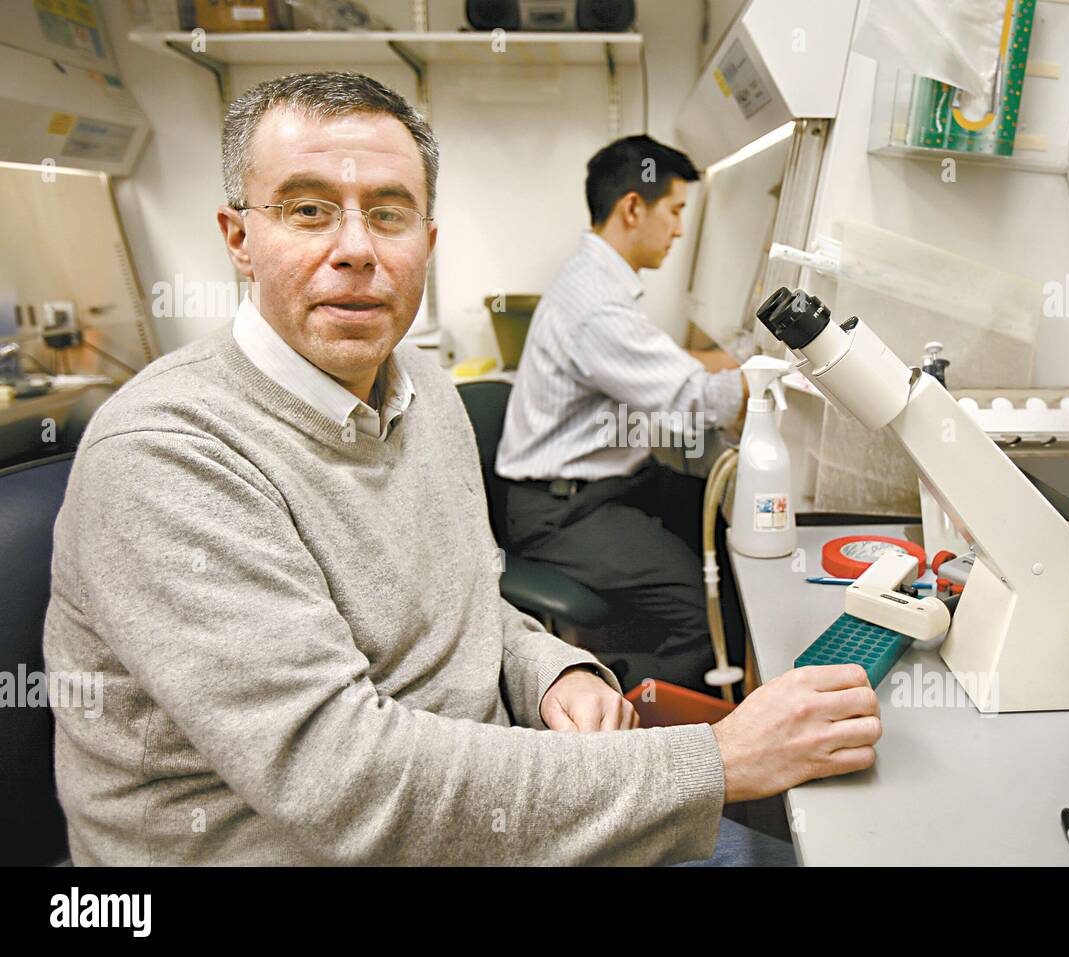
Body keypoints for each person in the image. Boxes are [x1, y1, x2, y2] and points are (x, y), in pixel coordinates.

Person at [43, 72, 881, 866]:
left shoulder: (426, 395)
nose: (356, 249)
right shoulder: (167, 458)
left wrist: (553, 670)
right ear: (239, 239)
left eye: (390, 213)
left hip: (457, 807)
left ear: (428, 241)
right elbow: (348, 785)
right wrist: (717, 760)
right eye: (307, 210)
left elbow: (471, 604)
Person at [496, 135, 744, 692]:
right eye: (676, 211)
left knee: (727, 549)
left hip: (610, 483)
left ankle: (714, 688)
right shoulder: (596, 303)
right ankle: (609, 716)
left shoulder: (601, 282)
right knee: (705, 612)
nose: (680, 229)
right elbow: (692, 400)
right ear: (634, 208)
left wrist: (734, 361)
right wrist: (768, 384)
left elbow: (662, 363)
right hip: (561, 511)